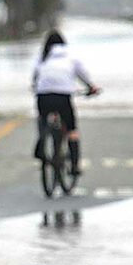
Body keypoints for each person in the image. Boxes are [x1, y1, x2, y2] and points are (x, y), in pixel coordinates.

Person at [32, 31, 100, 176]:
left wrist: (36, 88)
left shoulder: (42, 58)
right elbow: (84, 76)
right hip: (63, 97)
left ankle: (42, 142)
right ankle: (74, 166)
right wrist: (91, 88)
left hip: (43, 96)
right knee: (71, 130)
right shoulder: (70, 57)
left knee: (42, 121)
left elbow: (35, 79)